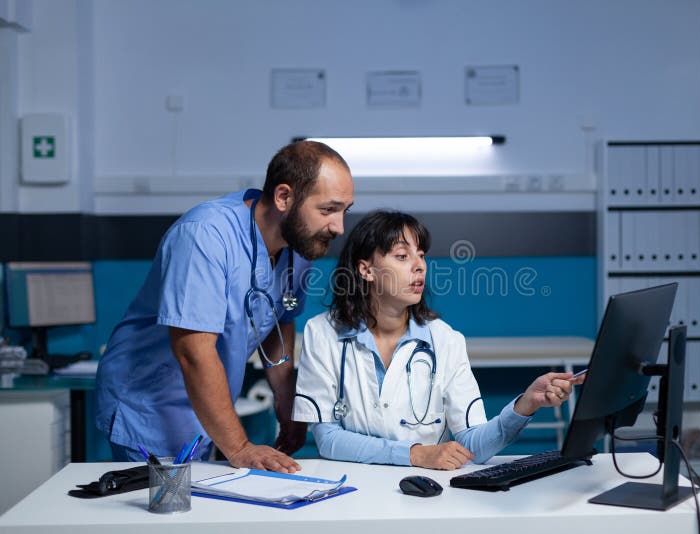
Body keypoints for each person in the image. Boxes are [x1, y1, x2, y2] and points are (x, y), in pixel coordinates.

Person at [95, 140, 354, 472]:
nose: (339, 227)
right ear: (283, 197)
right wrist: (240, 447)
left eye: (345, 211)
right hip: (151, 405)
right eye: (328, 210)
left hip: (205, 409)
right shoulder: (204, 235)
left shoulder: (299, 247)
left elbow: (279, 319)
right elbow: (193, 351)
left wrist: (286, 399)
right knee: (168, 516)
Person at [292, 210, 585, 470]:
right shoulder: (322, 334)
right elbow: (328, 439)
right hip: (352, 495)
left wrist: (526, 405)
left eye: (421, 255)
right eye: (402, 256)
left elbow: (473, 445)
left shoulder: (445, 339)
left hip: (423, 496)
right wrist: (416, 454)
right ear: (366, 269)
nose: (419, 266)